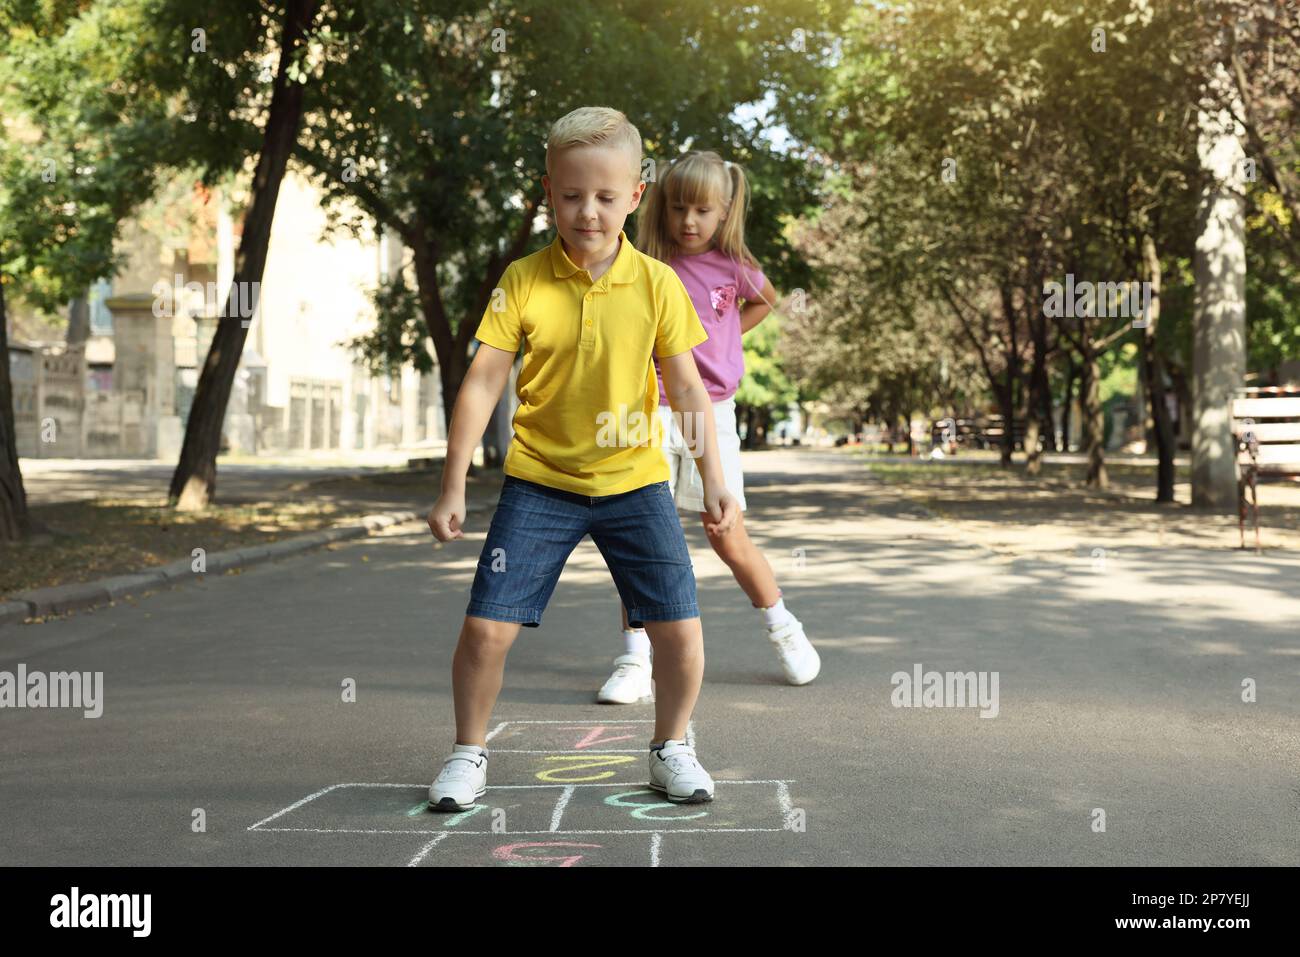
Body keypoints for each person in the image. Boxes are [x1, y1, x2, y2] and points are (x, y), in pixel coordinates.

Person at [425, 108, 740, 810]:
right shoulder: (524, 280)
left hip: (635, 481)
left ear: (635, 195)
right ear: (548, 192)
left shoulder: (659, 283)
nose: (587, 212)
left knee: (680, 632)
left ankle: (670, 746)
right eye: (571, 196)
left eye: (605, 197)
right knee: (484, 628)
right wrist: (453, 484)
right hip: (541, 482)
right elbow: (483, 379)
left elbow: (686, 383)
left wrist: (713, 476)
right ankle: (467, 753)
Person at [596, 150, 821, 705]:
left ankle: (784, 627)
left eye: (702, 210)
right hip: (647, 410)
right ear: (662, 208)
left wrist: (725, 338)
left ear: (723, 212)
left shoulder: (733, 267)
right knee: (639, 536)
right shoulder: (645, 262)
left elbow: (766, 300)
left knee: (725, 530)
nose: (689, 221)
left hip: (712, 412)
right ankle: (633, 658)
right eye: (678, 208)